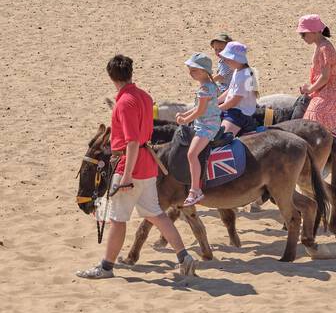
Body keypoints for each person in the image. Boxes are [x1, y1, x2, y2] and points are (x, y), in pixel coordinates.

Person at [77, 55, 195, 282]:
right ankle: (184, 257)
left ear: (111, 77)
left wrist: (125, 177)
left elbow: (131, 142)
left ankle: (106, 267)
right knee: (157, 215)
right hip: (147, 164)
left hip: (129, 166)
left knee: (118, 220)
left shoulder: (124, 102)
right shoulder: (145, 97)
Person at [175, 54, 222, 207]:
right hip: (209, 122)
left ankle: (195, 190)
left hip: (207, 126)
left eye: (194, 70)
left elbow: (200, 111)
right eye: (190, 70)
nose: (191, 73)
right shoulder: (211, 85)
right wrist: (185, 114)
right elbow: (198, 108)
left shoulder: (204, 89)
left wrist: (185, 120)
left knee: (192, 154)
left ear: (203, 71)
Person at [296, 15, 336, 132]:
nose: (302, 37)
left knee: (314, 113)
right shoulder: (319, 46)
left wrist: (310, 89)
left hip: (330, 93)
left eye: (303, 34)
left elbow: (325, 77)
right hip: (321, 90)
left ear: (314, 32)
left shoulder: (325, 48)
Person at [216, 41, 259, 137]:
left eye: (228, 59)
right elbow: (230, 90)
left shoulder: (245, 76)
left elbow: (235, 101)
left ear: (237, 60)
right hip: (231, 109)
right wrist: (216, 101)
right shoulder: (237, 71)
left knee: (221, 139)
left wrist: (217, 108)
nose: (225, 61)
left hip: (239, 114)